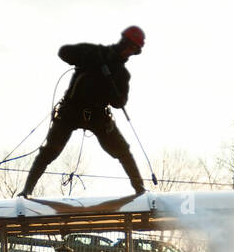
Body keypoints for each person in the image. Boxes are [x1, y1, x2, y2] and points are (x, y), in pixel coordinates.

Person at [19, 26, 146, 198]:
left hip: (99, 116)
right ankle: (26, 191)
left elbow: (119, 103)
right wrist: (88, 59)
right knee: (49, 151)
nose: (130, 53)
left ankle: (140, 190)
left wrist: (112, 88)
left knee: (123, 151)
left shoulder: (121, 74)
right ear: (125, 43)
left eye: (134, 51)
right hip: (71, 111)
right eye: (131, 48)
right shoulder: (95, 53)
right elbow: (64, 52)